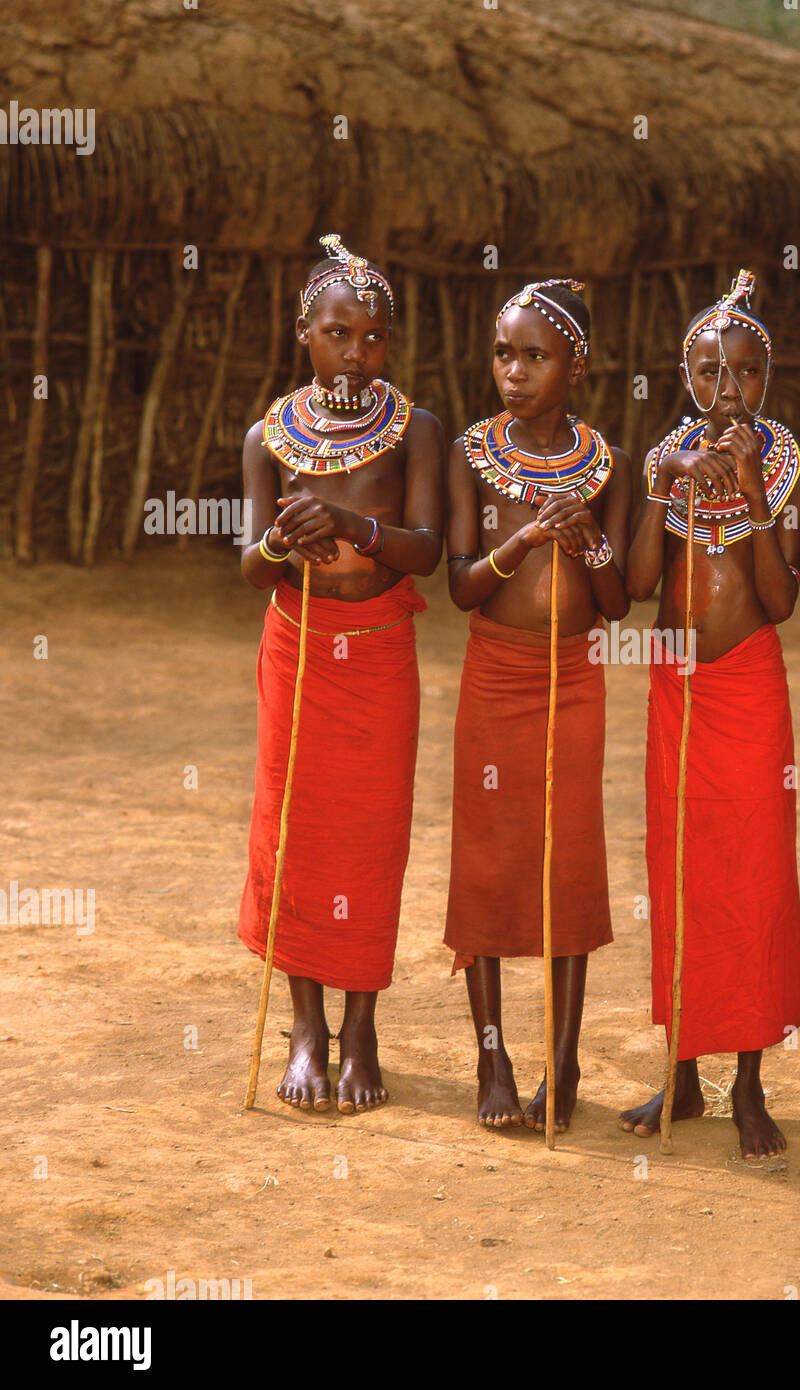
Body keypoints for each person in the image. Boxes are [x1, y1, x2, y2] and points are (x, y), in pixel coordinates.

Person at [238, 235, 445, 1114]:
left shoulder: (419, 431)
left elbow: (428, 551)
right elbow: (249, 561)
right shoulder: (267, 436)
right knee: (296, 830)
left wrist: (356, 531)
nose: (355, 353)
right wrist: (286, 540)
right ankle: (308, 1029)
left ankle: (362, 1026)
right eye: (337, 334)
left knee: (370, 833)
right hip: (301, 645)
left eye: (373, 338)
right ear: (303, 335)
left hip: (380, 652)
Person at [618, 271, 800, 1159]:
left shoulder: (787, 460)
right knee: (681, 873)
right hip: (674, 683)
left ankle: (748, 1083)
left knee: (753, 876)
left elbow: (780, 600)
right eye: (705, 371)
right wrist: (669, 484)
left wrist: (751, 489)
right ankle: (685, 1074)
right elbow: (634, 587)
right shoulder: (663, 455)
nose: (722, 388)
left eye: (740, 372)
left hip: (747, 683)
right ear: (684, 373)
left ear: (764, 381)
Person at [444, 278, 632, 1134]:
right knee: (488, 862)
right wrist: (520, 539)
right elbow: (459, 587)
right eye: (502, 354)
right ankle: (492, 1056)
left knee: (567, 865)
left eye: (534, 356)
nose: (513, 373)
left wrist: (587, 537)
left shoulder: (612, 467)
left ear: (577, 367)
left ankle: (562, 1063)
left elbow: (621, 602)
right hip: (495, 677)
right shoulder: (467, 453)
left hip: (574, 681)